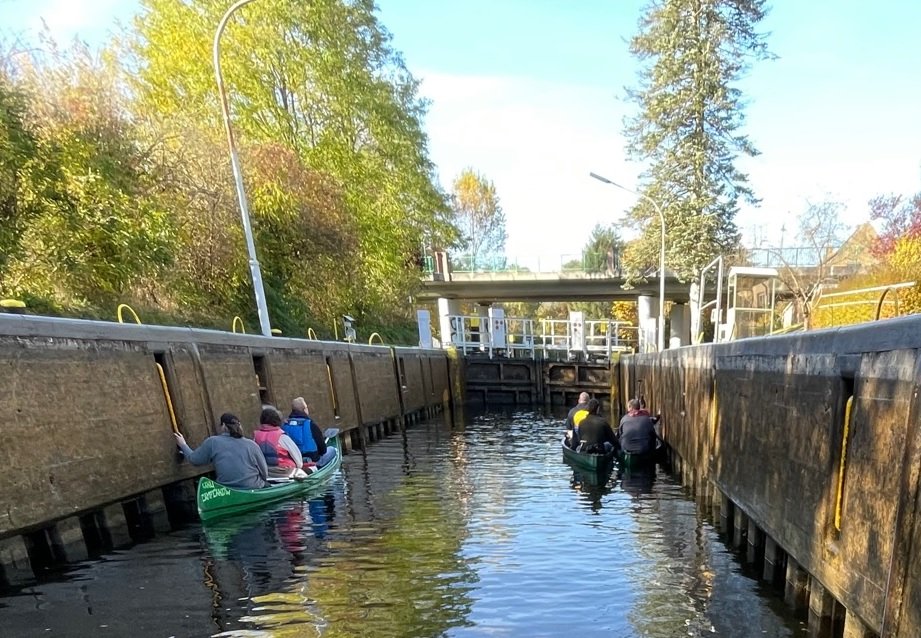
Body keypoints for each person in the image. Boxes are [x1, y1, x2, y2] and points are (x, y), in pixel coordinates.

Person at [174, 413, 268, 489]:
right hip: (253, 487)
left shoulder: (212, 442)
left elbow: (194, 460)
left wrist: (182, 444)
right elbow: (264, 473)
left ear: (223, 425)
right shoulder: (252, 444)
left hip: (226, 489)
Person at [254, 405, 305, 479]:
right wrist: (299, 467)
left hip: (265, 472)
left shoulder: (256, 436)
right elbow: (298, 459)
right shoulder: (282, 436)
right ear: (277, 420)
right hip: (285, 472)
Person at [286, 397, 337, 468]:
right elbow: (323, 450)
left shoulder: (285, 425)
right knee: (332, 450)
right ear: (304, 410)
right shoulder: (311, 424)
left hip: (294, 460)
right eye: (306, 407)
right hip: (313, 460)